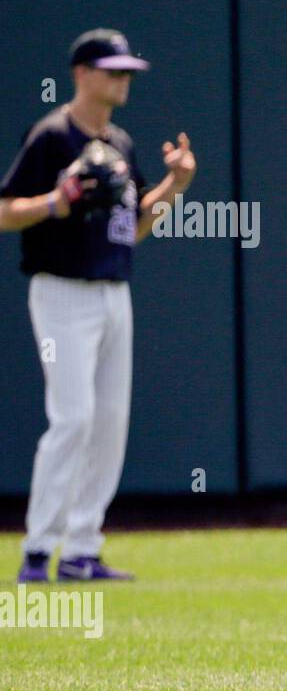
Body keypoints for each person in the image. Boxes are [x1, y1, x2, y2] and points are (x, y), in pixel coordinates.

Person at [0, 28, 197, 582]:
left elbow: (129, 229)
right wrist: (54, 201)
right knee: (74, 418)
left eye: (127, 72)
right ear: (82, 73)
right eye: (112, 71)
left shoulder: (121, 143)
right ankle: (39, 551)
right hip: (61, 291)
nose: (122, 80)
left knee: (109, 421)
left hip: (113, 291)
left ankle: (82, 548)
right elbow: (5, 211)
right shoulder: (51, 136)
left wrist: (173, 187)